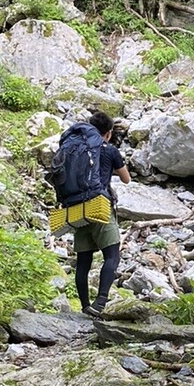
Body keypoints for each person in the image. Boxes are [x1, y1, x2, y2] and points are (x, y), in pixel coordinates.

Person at [72, 111, 129, 315]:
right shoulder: (109, 150)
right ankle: (100, 303)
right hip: (99, 203)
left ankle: (85, 305)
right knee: (112, 255)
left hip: (77, 206)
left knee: (83, 260)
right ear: (108, 133)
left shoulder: (78, 149)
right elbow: (126, 179)